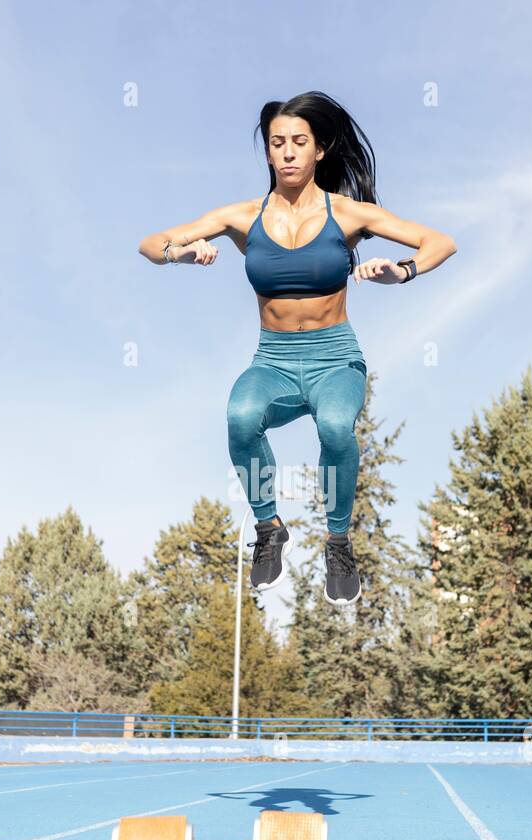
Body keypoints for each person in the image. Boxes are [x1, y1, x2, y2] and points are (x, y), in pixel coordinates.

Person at [138, 91, 456, 605]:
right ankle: (269, 529)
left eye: (299, 143)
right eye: (277, 143)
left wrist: (402, 272)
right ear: (268, 153)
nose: (287, 152)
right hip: (273, 361)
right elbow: (150, 243)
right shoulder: (243, 217)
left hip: (335, 359)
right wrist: (180, 252)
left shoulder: (350, 214)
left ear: (320, 150)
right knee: (241, 416)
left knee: (334, 427)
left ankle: (338, 541)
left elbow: (440, 241)